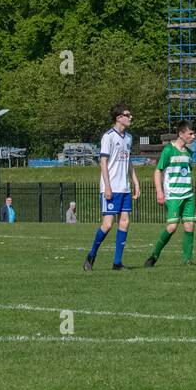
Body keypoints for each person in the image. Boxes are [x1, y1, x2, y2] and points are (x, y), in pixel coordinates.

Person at [83, 104, 140, 271]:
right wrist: (107, 186)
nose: (131, 117)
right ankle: (92, 254)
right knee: (108, 224)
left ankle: (117, 263)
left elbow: (128, 161)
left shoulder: (128, 138)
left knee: (124, 222)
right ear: (118, 118)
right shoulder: (108, 136)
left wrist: (135, 182)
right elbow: (103, 162)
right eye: (128, 115)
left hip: (124, 187)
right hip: (111, 187)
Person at [146, 121, 196, 267]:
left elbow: (187, 172)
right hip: (173, 195)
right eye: (190, 133)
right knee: (172, 227)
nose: (193, 136)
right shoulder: (168, 150)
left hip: (188, 195)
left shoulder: (189, 152)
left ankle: (187, 260)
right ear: (181, 134)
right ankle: (154, 256)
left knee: (189, 226)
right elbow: (158, 171)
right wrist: (159, 192)